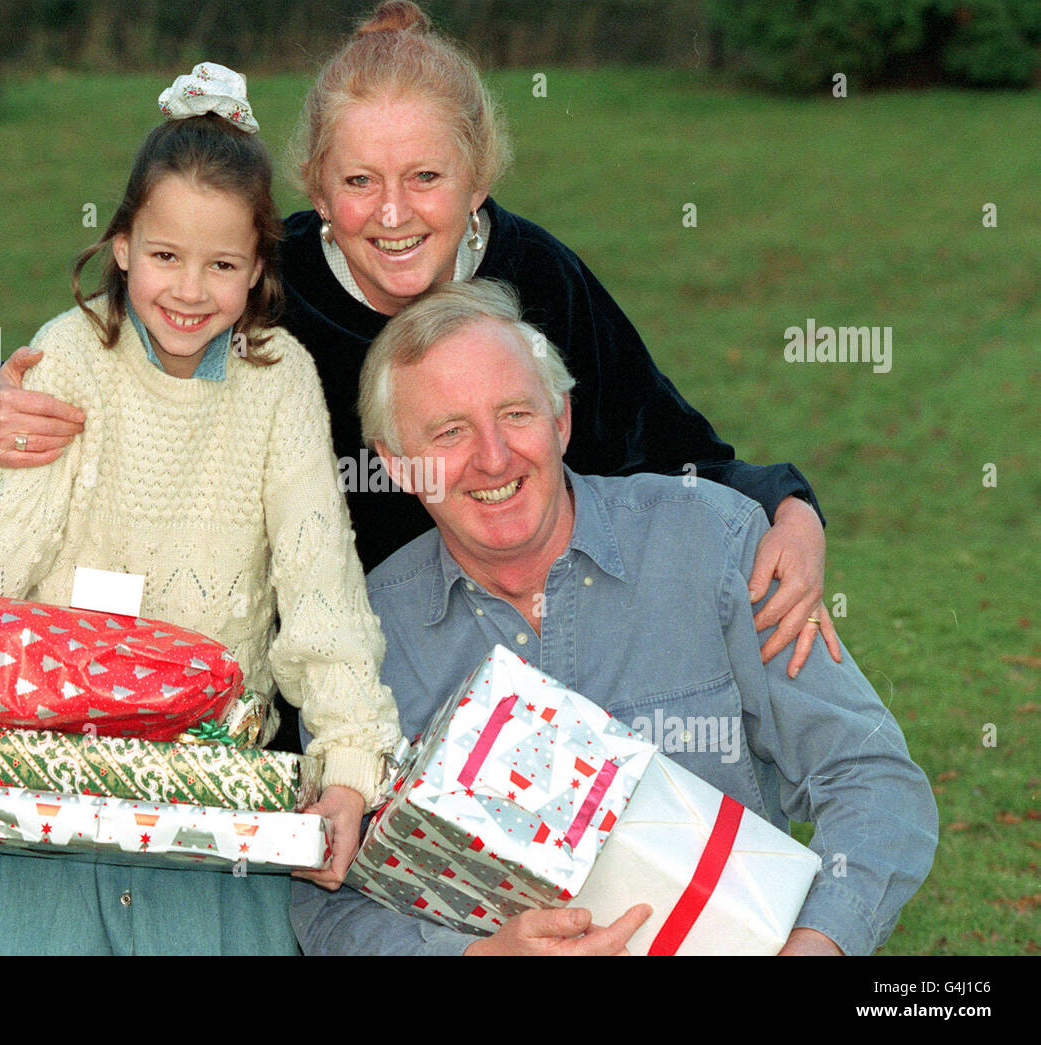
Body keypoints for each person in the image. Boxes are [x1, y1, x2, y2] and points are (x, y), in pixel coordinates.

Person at [0, 1, 840, 681]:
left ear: (478, 176)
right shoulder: (262, 277)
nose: (394, 211)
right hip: (308, 679)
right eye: (360, 180)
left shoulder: (541, 281)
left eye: (426, 177)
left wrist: (790, 508)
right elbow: (99, 358)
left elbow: (670, 452)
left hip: (512, 665)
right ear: (315, 188)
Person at [0, 63, 400, 955]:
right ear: (120, 245)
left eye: (221, 263)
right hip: (38, 800)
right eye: (163, 256)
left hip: (212, 818)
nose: (189, 290)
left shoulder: (281, 384)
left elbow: (320, 582)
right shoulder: (67, 358)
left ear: (260, 265)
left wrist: (347, 762)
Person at [290, 279, 938, 956]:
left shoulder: (714, 545)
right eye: (450, 431)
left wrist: (816, 944)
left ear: (561, 417)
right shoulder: (360, 639)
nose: (493, 456)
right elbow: (330, 902)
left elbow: (870, 775)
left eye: (515, 414)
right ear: (397, 465)